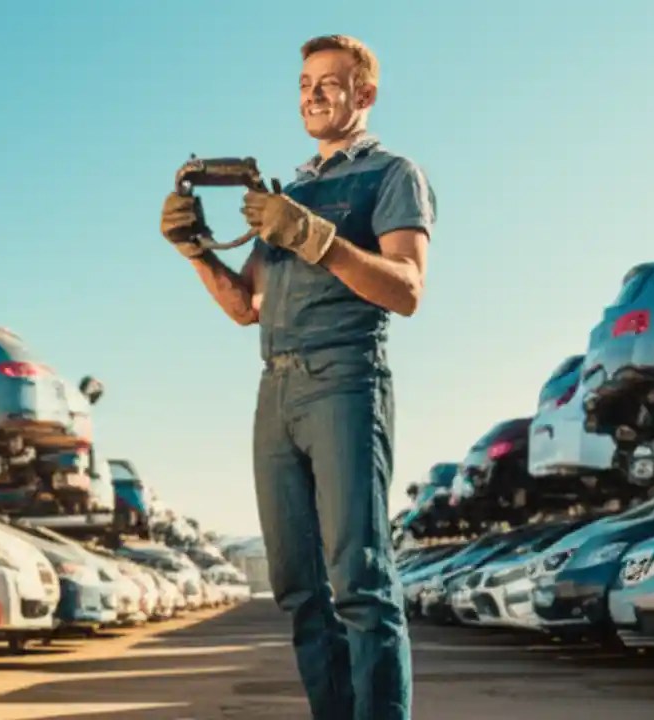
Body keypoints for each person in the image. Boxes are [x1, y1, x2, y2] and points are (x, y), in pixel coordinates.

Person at [159, 34, 436, 720]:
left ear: (364, 94)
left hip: (345, 379)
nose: (312, 95)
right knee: (300, 589)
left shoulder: (392, 175)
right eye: (305, 84)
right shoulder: (291, 192)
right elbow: (244, 307)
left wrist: (316, 237)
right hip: (275, 390)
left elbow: (407, 289)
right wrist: (195, 251)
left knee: (360, 582)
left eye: (328, 84)